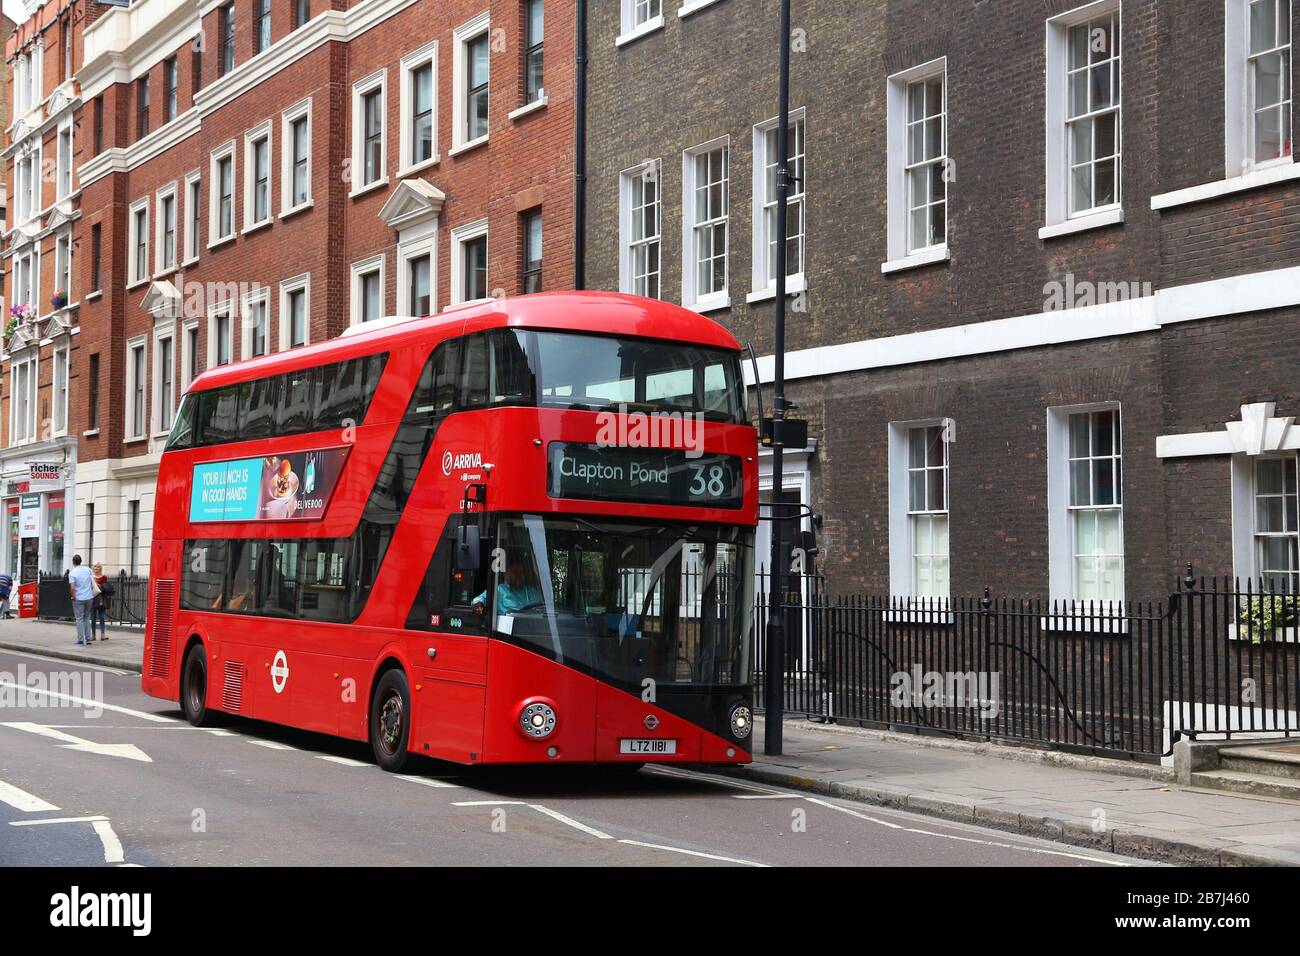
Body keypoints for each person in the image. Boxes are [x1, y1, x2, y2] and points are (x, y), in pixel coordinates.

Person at [472, 556, 543, 615]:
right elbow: (479, 599)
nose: (519, 575)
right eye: (515, 572)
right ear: (506, 573)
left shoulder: (532, 591)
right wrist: (478, 604)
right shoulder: (500, 590)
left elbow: (543, 608)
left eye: (521, 573)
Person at [68, 555, 95, 647]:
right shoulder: (88, 570)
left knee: (79, 619)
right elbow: (92, 582)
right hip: (89, 597)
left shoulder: (72, 573)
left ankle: (80, 640)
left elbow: (72, 588)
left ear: (73, 562)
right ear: (81, 561)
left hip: (78, 598)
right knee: (87, 618)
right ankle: (88, 638)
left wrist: (73, 597)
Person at [91, 563, 111, 641]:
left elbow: (106, 587)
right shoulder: (91, 577)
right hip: (93, 598)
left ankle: (103, 634)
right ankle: (93, 635)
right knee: (93, 617)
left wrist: (99, 585)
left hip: (101, 599)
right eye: (95, 566)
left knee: (102, 617)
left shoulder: (104, 577)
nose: (96, 568)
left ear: (100, 568)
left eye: (98, 566)